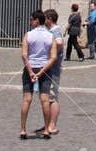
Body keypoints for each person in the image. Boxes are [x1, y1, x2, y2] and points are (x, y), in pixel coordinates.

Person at [19, 10, 59, 139]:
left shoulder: (28, 35)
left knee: (27, 99)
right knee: (45, 100)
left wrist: (30, 71)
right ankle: (47, 130)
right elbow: (53, 57)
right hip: (45, 69)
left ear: (37, 20)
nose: (30, 21)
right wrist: (41, 72)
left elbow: (24, 55)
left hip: (30, 68)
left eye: (32, 19)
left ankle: (23, 129)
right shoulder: (50, 36)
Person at [35, 8, 64, 138]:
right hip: (47, 68)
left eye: (45, 18)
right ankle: (47, 123)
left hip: (53, 69)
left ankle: (52, 125)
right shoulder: (50, 31)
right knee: (46, 96)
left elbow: (59, 43)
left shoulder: (55, 30)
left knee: (52, 97)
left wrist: (50, 53)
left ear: (49, 19)